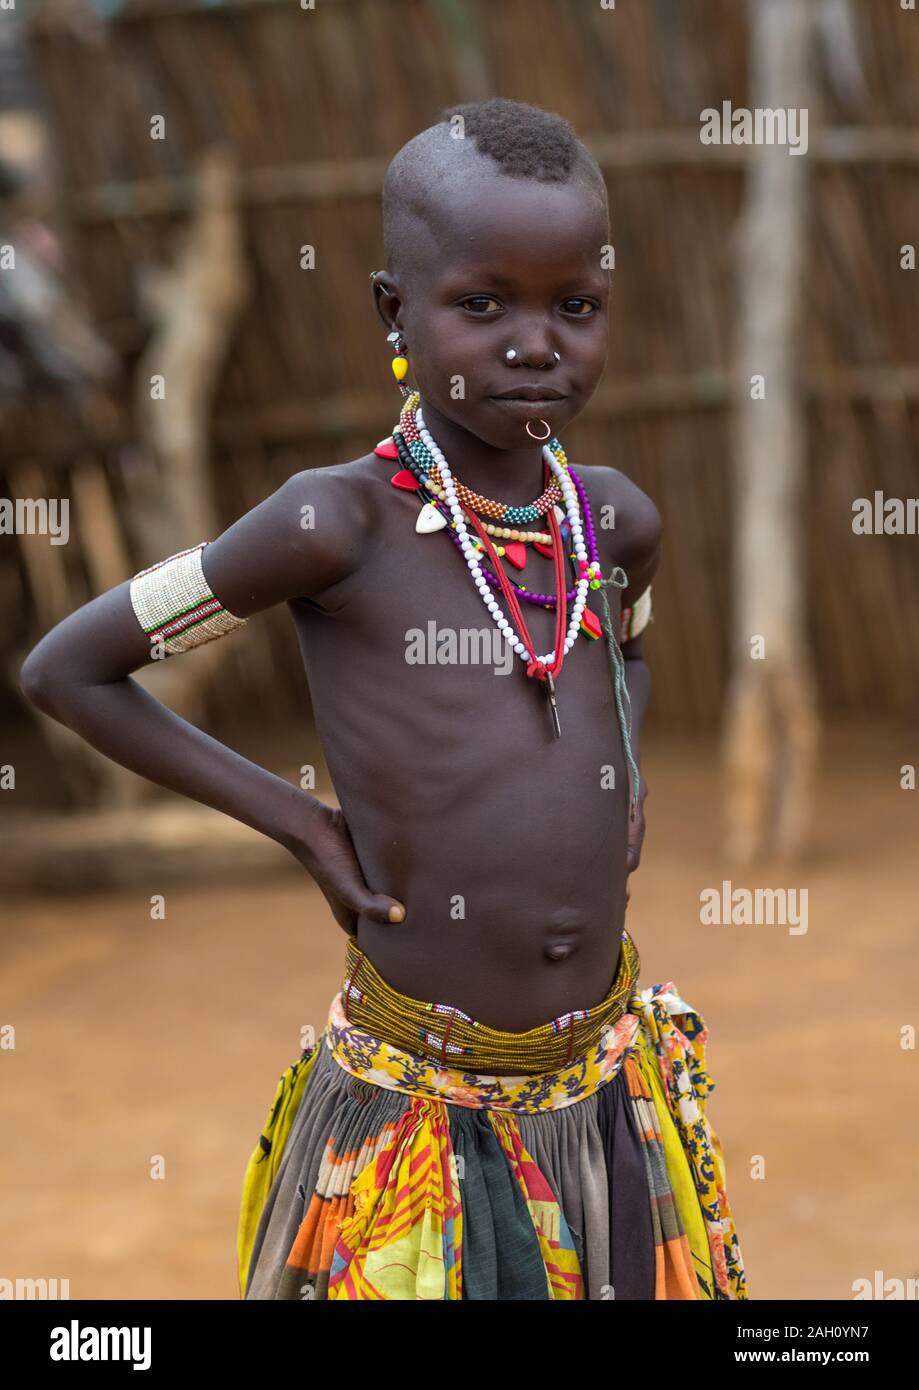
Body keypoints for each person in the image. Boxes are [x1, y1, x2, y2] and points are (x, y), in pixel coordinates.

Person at [20, 97, 748, 1301]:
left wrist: (625, 758)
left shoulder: (613, 521)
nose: (534, 344)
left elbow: (624, 645)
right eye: (482, 304)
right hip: (420, 1117)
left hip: (609, 1099)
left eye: (574, 306)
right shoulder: (330, 522)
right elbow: (69, 666)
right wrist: (301, 821)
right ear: (391, 312)